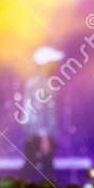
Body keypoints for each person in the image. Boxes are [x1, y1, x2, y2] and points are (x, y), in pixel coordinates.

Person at [20, 46, 63, 179]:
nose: (56, 65)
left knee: (34, 169)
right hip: (40, 135)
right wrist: (44, 137)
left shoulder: (37, 80)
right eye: (53, 62)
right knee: (43, 172)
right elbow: (39, 109)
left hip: (35, 133)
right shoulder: (40, 82)